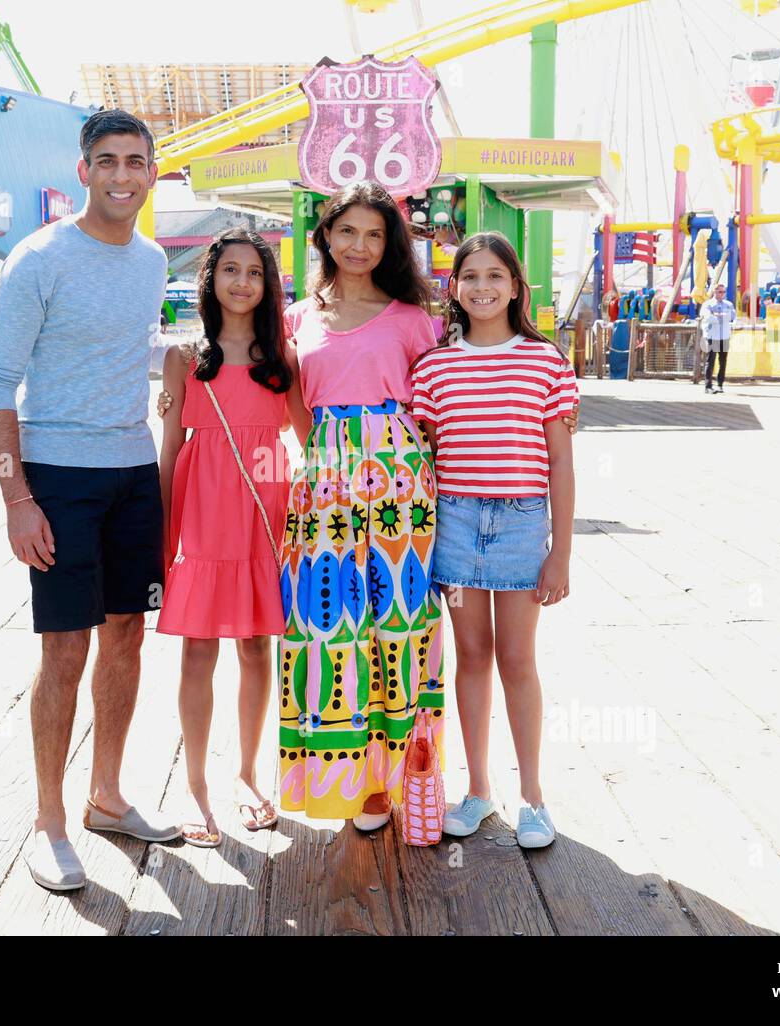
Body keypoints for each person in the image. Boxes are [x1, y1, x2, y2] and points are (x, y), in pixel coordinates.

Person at [0, 109, 178, 893]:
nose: (122, 175)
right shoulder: (37, 257)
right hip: (56, 474)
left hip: (132, 470)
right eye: (107, 161)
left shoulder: (154, 259)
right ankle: (49, 821)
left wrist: (183, 355)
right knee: (66, 648)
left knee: (127, 634)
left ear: (152, 171)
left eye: (135, 161)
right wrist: (15, 497)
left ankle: (106, 796)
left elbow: (128, 347)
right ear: (83, 170)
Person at [278, 181, 444, 830]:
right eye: (348, 231)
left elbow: (434, 411)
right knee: (329, 626)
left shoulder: (411, 318)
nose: (360, 245)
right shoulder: (296, 318)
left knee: (399, 629)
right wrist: (327, 461)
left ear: (389, 244)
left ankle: (399, 783)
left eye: (375, 235)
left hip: (401, 484)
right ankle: (349, 783)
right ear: (326, 235)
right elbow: (296, 408)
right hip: (325, 483)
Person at [409, 232, 576, 849]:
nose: (482, 287)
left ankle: (533, 798)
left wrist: (560, 551)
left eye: (495, 276)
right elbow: (422, 453)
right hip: (453, 521)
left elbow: (560, 461)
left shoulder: (545, 362)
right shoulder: (434, 366)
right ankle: (478, 790)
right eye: (469, 276)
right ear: (453, 287)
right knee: (470, 655)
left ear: (516, 286)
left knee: (517, 659)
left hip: (523, 523)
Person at [155, 228, 310, 847]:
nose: (242, 282)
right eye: (230, 270)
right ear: (210, 279)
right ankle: (194, 786)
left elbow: (310, 438)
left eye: (255, 272)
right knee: (197, 649)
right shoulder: (183, 358)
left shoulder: (284, 359)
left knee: (254, 647)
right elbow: (169, 451)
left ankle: (246, 775)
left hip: (263, 508)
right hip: (200, 513)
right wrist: (162, 534)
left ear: (268, 285)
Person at [699, 283, 735, 394]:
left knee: (723, 361)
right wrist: (723, 317)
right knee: (710, 361)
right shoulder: (707, 304)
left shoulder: (729, 304)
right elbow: (709, 317)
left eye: (724, 292)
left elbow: (733, 317)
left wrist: (719, 315)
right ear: (715, 292)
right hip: (712, 336)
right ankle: (708, 386)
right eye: (720, 292)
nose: (722, 294)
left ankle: (720, 384)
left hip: (724, 336)